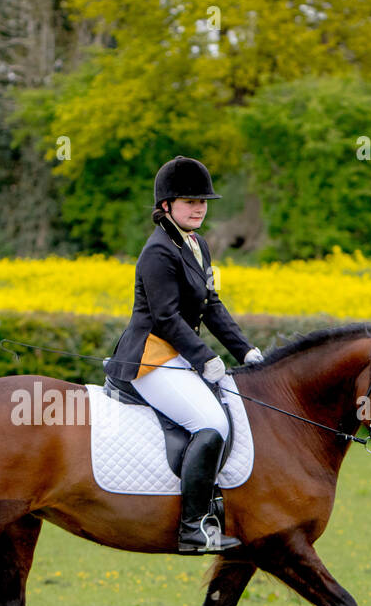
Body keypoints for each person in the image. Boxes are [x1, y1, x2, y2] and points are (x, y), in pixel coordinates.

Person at [104, 156, 264, 553]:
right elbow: (166, 316)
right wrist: (205, 358)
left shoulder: (197, 244)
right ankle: (193, 527)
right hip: (151, 359)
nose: (199, 208)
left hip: (177, 355)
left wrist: (247, 352)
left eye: (203, 201)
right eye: (189, 201)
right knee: (211, 424)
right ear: (166, 206)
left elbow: (211, 306)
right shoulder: (158, 252)